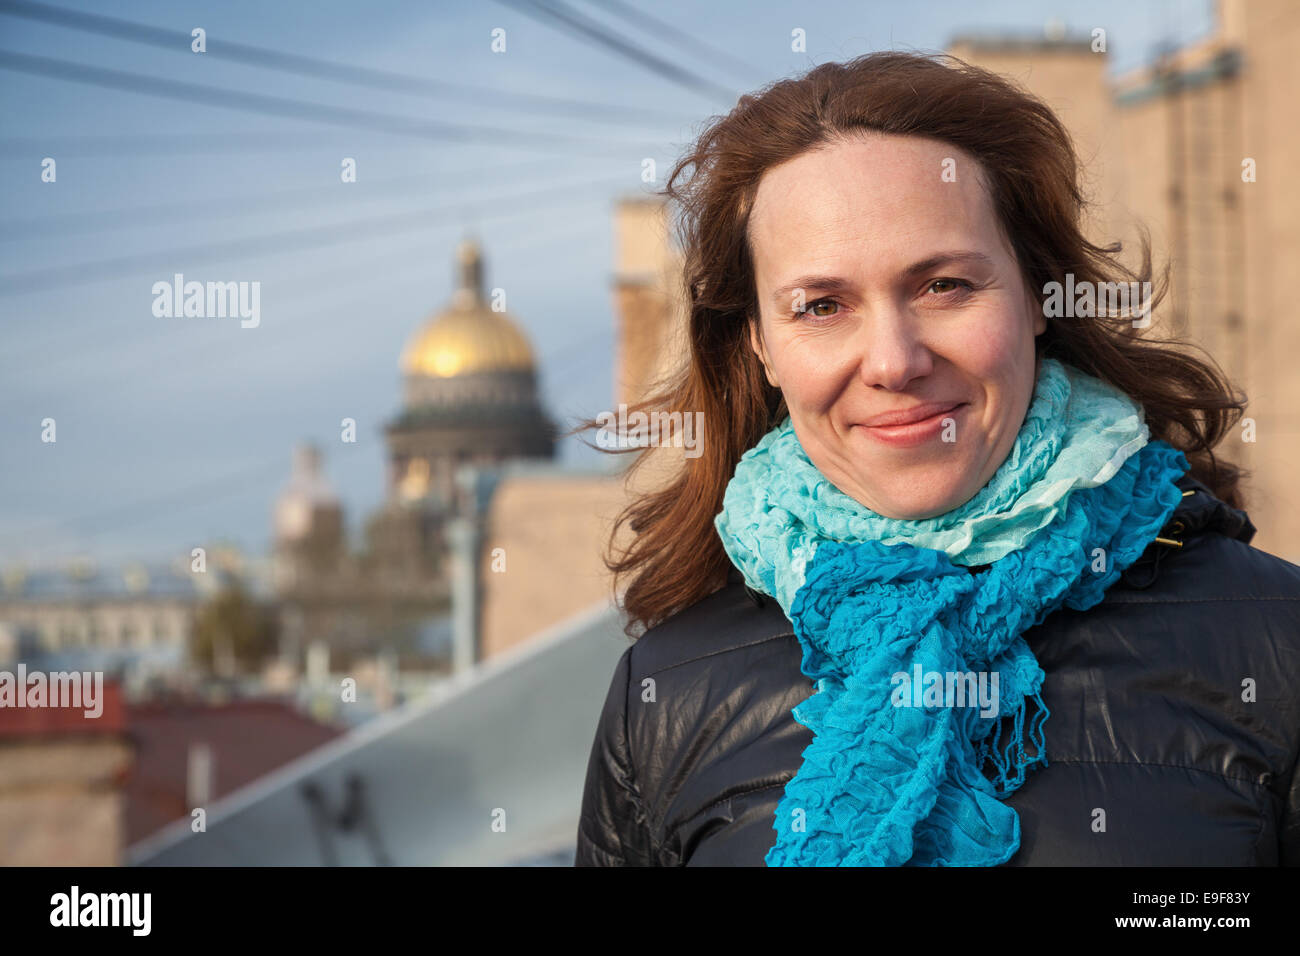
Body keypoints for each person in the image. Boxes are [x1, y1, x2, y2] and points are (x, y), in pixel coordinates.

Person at [572, 51, 1300, 866]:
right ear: (762, 347)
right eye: (821, 306)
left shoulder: (1277, 646)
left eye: (945, 286)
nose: (893, 360)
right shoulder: (664, 697)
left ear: (1038, 297)